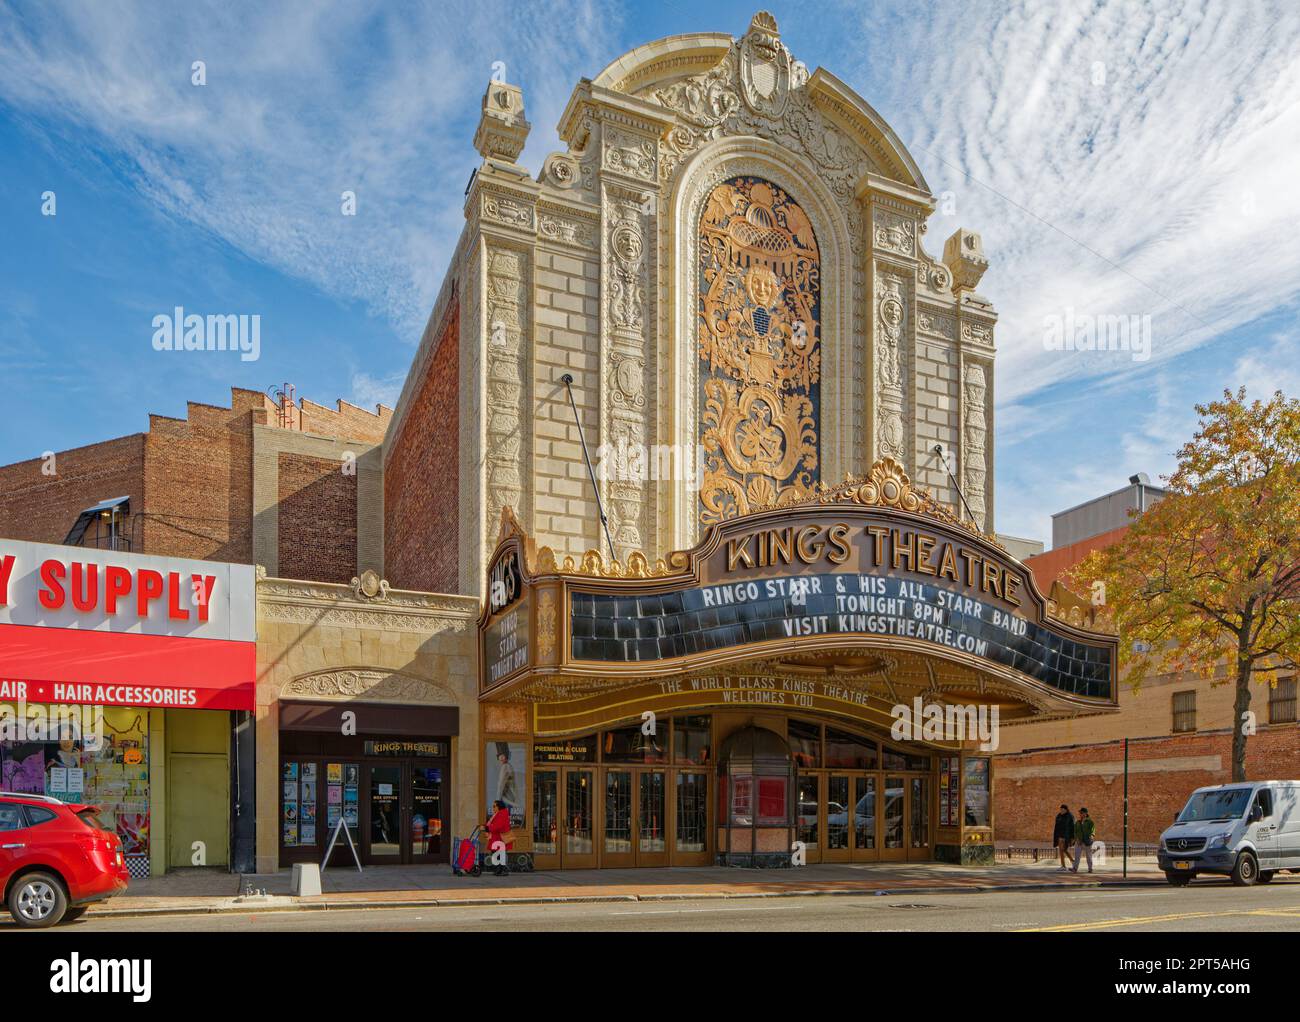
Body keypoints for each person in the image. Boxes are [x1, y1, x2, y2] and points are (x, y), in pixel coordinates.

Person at [484, 799, 514, 877]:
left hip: (500, 838)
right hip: (497, 838)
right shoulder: (499, 813)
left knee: (499, 855)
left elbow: (498, 826)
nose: (493, 808)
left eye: (494, 806)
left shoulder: (501, 814)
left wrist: (487, 828)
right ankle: (499, 870)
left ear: (499, 806)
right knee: (497, 854)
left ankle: (503, 870)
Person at [1070, 807, 1096, 873]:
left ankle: (1090, 868)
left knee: (1089, 856)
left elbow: (1093, 830)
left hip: (1087, 841)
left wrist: (1092, 836)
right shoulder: (1077, 822)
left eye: (1081, 813)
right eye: (1080, 813)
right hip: (1079, 842)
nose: (1080, 814)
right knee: (1077, 856)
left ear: (1086, 813)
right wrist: (1076, 839)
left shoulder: (1090, 822)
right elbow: (1075, 832)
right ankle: (1075, 868)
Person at [1052, 803, 1073, 871]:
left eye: (1062, 809)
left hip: (1066, 836)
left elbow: (1072, 827)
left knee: (1064, 849)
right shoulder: (1059, 816)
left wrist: (1072, 837)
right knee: (1061, 850)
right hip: (1060, 836)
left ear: (1066, 810)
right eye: (1060, 809)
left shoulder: (1070, 816)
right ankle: (1063, 865)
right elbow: (1056, 825)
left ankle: (1072, 861)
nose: (1061, 810)